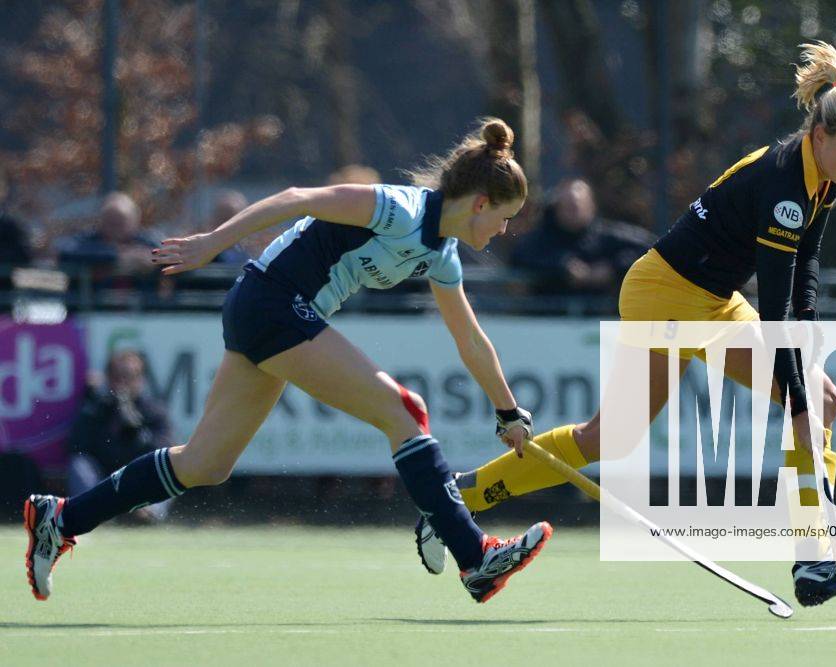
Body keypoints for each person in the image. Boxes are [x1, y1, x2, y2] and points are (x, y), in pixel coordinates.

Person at [416, 42, 836, 608]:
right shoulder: (785, 187)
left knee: (807, 400)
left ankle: (814, 559)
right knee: (793, 402)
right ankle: (457, 502)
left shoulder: (823, 177)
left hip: (711, 300)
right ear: (820, 135)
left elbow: (806, 263)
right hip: (665, 297)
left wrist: (809, 332)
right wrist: (793, 380)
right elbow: (773, 306)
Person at [24, 118, 552, 604]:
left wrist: (508, 413)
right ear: (480, 203)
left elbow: (471, 339)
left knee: (205, 464)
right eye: (506, 218)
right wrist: (213, 242)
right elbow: (299, 198)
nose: (504, 232)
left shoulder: (442, 253)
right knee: (405, 413)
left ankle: (63, 517)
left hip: (273, 312)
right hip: (272, 301)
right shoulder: (398, 208)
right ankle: (475, 557)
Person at [66, 350, 174, 523]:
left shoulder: (154, 410)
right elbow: (77, 447)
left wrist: (137, 433)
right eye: (117, 376)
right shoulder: (96, 408)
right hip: (104, 481)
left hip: (140, 481)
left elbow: (166, 448)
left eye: (130, 376)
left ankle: (148, 513)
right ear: (108, 378)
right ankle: (95, 512)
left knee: (170, 466)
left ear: (141, 379)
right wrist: (94, 408)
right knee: (79, 465)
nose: (123, 382)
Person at [510, 178, 655, 296]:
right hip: (550, 321)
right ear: (557, 209)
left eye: (578, 206)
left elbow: (649, 249)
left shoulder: (607, 235)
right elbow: (519, 257)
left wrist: (611, 269)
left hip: (603, 320)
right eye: (568, 207)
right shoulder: (542, 238)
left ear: (591, 206)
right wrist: (563, 266)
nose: (573, 212)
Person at [54, 192, 159, 288]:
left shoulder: (145, 241)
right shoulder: (86, 240)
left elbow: (165, 254)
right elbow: (65, 252)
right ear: (101, 221)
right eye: (111, 223)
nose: (115, 229)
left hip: (143, 306)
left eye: (120, 223)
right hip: (92, 305)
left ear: (135, 222)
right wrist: (117, 256)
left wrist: (150, 259)